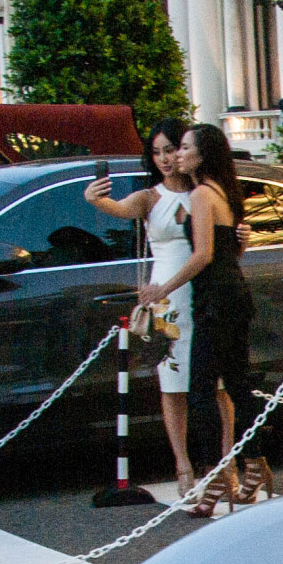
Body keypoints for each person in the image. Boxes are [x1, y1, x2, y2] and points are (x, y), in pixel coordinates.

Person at [143, 125, 265, 514]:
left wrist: (161, 289)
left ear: (203, 155)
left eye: (184, 148)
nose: (178, 155)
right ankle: (253, 466)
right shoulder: (221, 192)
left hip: (215, 301)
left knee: (201, 393)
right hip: (231, 296)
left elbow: (203, 255)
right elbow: (228, 252)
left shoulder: (200, 194)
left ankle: (214, 481)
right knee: (238, 386)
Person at [86, 121, 197, 496]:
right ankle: (183, 465)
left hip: (203, 293)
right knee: (173, 383)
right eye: (158, 152)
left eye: (171, 149)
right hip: (165, 298)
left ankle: (226, 461)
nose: (165, 159)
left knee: (215, 385)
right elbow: (117, 208)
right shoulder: (151, 197)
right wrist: (94, 198)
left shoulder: (204, 193)